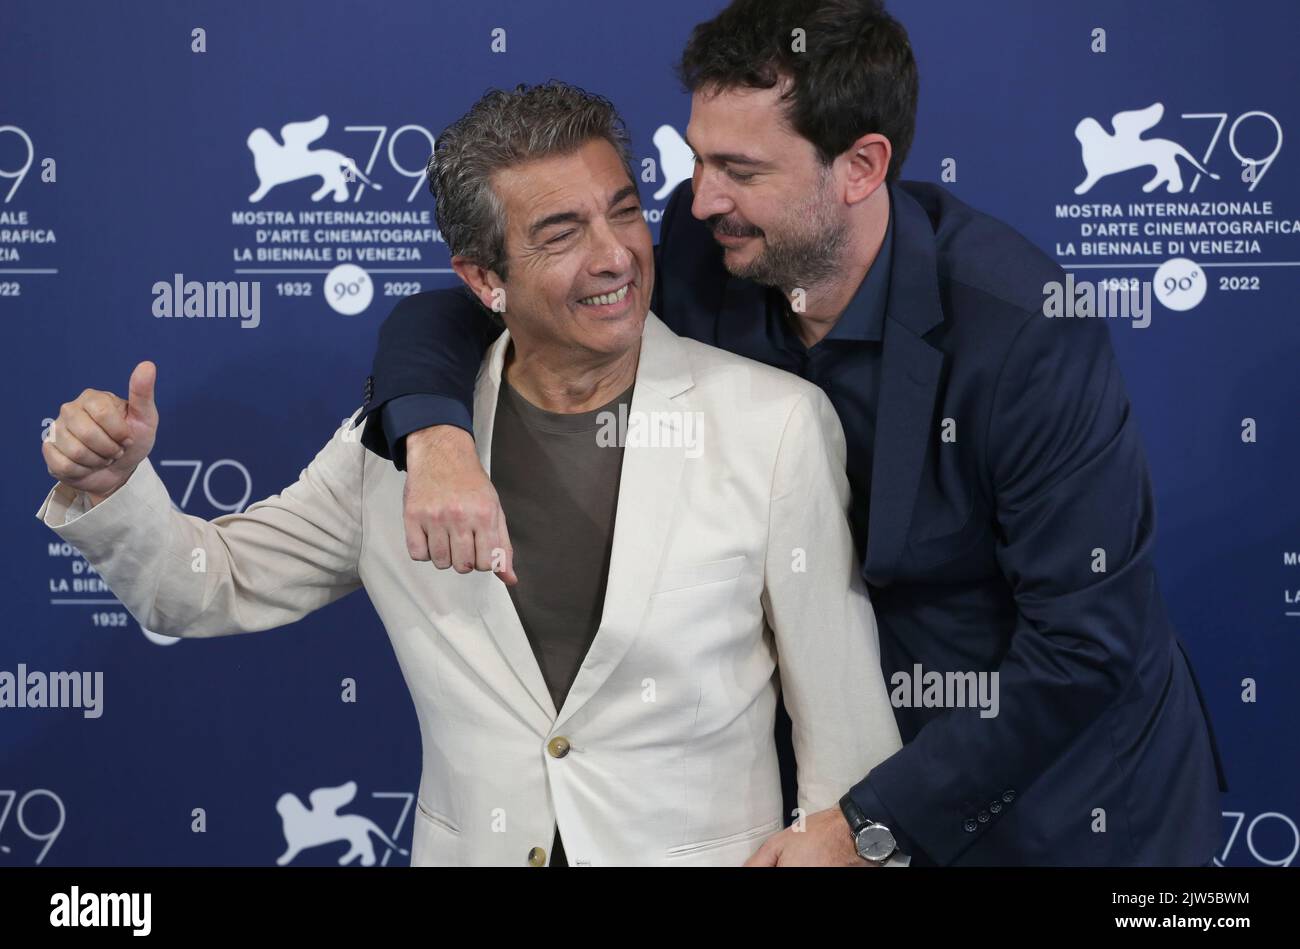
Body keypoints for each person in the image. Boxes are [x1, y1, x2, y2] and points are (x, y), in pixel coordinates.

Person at [353, 0, 1228, 866]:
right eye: (696, 160)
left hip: (1062, 804)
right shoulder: (711, 252)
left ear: (860, 166)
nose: (699, 199)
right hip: (829, 793)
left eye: (739, 168)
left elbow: (1083, 647)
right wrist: (436, 436)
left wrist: (867, 822)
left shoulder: (1024, 332)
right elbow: (469, 308)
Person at [36, 80, 905, 867]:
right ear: (483, 278)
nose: (615, 257)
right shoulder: (396, 449)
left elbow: (845, 721)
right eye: (562, 234)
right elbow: (206, 587)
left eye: (624, 212)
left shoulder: (776, 424)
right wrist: (116, 490)